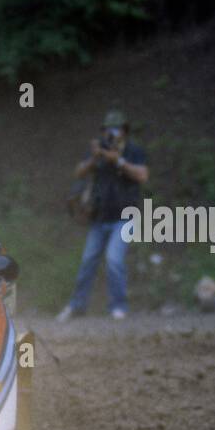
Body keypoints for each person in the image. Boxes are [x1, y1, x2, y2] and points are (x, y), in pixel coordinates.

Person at [56, 111, 148, 321]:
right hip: (100, 217)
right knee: (88, 260)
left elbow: (142, 175)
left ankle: (118, 307)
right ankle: (77, 305)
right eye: (108, 129)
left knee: (114, 259)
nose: (111, 133)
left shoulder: (133, 151)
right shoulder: (100, 150)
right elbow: (79, 172)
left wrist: (118, 161)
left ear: (124, 131)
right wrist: (95, 158)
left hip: (125, 216)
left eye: (115, 129)